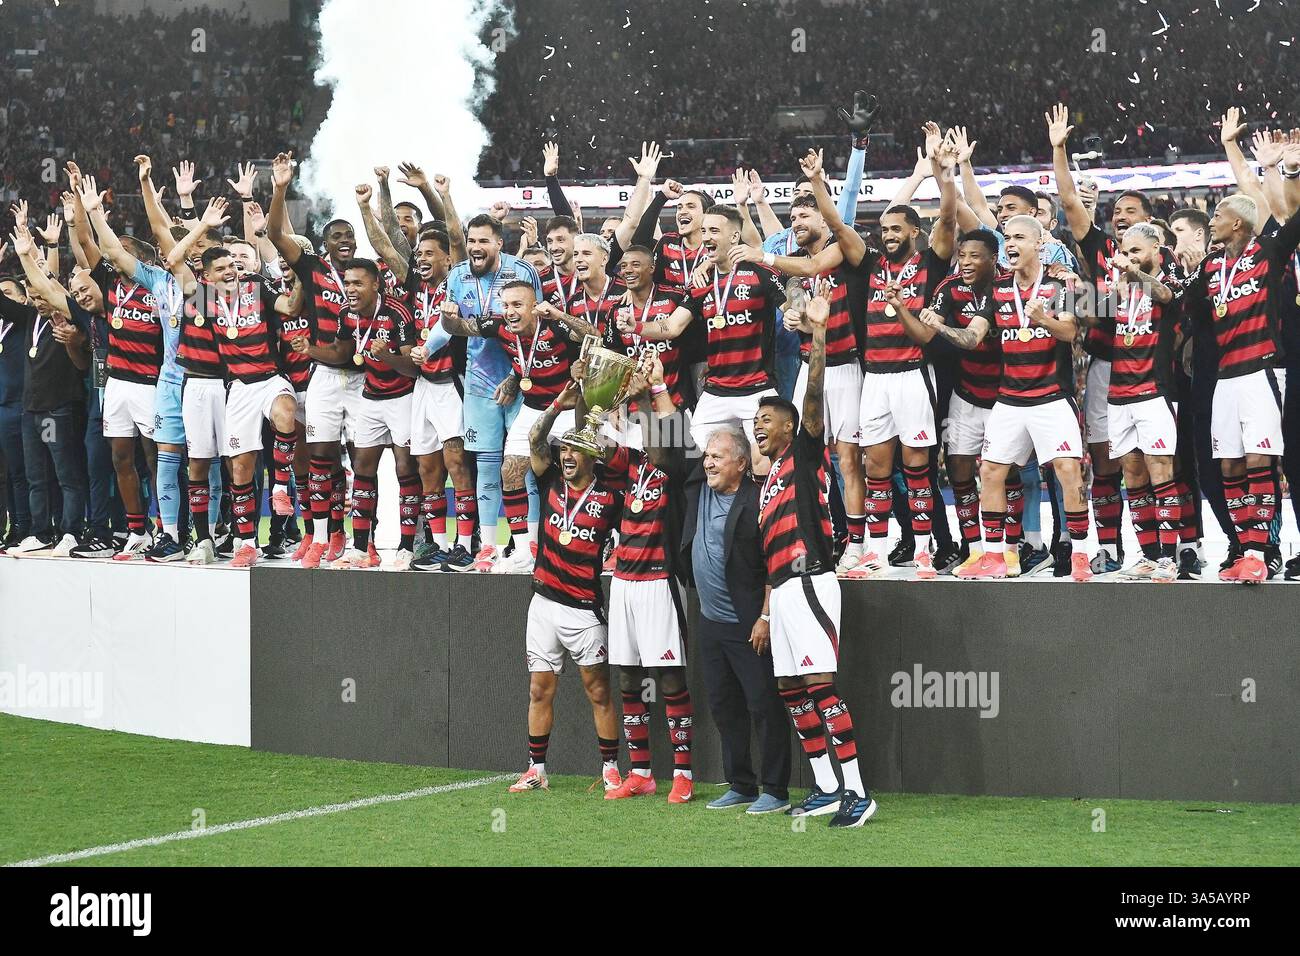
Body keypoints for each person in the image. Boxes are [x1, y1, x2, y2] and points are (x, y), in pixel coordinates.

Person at [754, 279, 876, 828]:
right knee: (790, 688)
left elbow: (814, 397)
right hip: (782, 591)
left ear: (788, 426)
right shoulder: (767, 480)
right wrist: (765, 608)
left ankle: (858, 792)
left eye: (766, 420)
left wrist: (821, 333)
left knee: (821, 687)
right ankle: (826, 787)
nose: (759, 427)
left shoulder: (804, 452)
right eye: (755, 422)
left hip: (810, 581)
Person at [956, 215, 1093, 581]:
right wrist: (937, 326)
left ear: (1039, 244)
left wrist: (1043, 319)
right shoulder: (998, 287)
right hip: (1010, 398)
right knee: (991, 471)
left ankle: (1080, 554)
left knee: (1067, 471)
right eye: (1007, 238)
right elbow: (973, 336)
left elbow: (1069, 333)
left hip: (1051, 395)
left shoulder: (1060, 283)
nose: (1011, 244)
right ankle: (995, 556)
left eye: (1019, 237)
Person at [509, 380, 623, 794]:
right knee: (539, 688)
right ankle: (536, 769)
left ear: (592, 457)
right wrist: (559, 403)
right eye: (565, 450)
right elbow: (536, 437)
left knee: (598, 691)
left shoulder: (612, 496)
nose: (568, 455)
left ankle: (611, 768)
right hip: (543, 602)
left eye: (576, 450)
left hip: (582, 606)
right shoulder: (549, 480)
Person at [1183, 193, 1300, 583]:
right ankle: (1244, 547)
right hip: (1223, 379)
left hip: (1261, 371)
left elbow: (1295, 223)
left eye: (1218, 214)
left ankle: (1259, 552)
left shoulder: (1268, 250)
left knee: (1258, 461)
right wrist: (1170, 277)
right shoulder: (1211, 265)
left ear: (1238, 222)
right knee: (1229, 464)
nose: (1211, 220)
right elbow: (1186, 307)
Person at [680, 425, 791, 814]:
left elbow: (774, 566)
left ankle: (775, 789)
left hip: (750, 625)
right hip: (709, 622)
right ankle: (741, 784)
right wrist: (653, 393)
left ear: (742, 464)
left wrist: (764, 616)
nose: (709, 462)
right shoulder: (698, 487)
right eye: (708, 455)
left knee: (763, 706)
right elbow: (666, 448)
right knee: (725, 707)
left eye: (718, 456)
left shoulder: (758, 501)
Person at [439, 278, 581, 573]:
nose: (510, 312)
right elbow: (458, 329)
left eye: (518, 305)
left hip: (567, 408)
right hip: (531, 409)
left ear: (534, 306)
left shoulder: (554, 326)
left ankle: (581, 547)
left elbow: (595, 336)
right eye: (505, 305)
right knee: (510, 471)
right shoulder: (499, 326)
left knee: (576, 475)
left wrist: (559, 314)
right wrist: (448, 317)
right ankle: (526, 548)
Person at [442, 214, 544, 571]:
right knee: (486, 469)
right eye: (471, 241)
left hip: (522, 381)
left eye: (483, 241)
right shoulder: (457, 276)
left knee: (522, 468)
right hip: (480, 385)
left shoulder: (523, 272)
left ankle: (529, 545)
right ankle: (487, 546)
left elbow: (539, 322)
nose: (475, 247)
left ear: (499, 242)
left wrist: (518, 376)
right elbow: (452, 326)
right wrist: (437, 332)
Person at [1105, 224, 1184, 583]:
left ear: (1157, 249)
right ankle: (1149, 557)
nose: (1130, 257)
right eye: (1126, 250)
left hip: (1154, 391)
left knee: (1161, 472)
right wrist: (1068, 281)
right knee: (1133, 477)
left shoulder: (1168, 281)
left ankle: (1170, 557)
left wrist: (1133, 272)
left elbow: (1167, 296)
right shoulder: (1119, 287)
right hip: (1118, 395)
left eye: (1137, 250)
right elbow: (1087, 313)